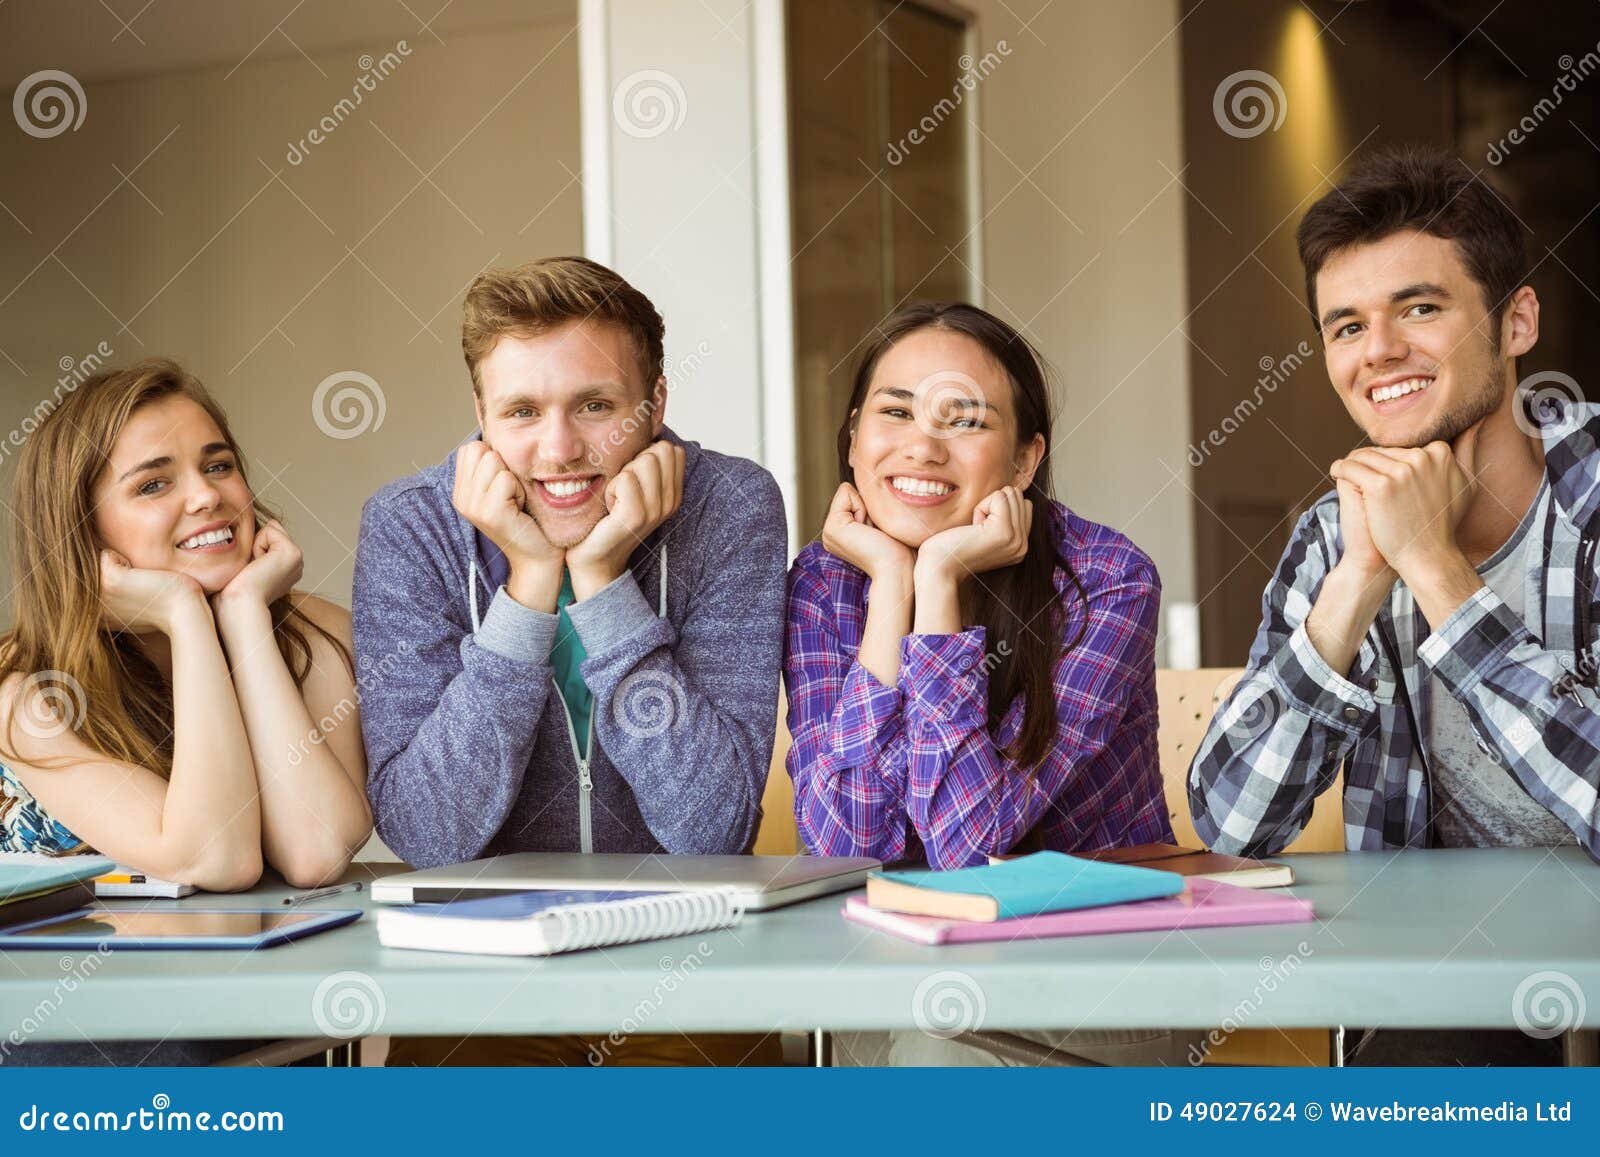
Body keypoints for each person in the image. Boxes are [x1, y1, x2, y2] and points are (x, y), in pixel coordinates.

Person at [1188, 145, 1600, 1065]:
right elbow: (1232, 825)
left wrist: (1440, 576)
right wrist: (1362, 578)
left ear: (1517, 320)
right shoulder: (1336, 539)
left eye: (1420, 307)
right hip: (1470, 990)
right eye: (1346, 325)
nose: (1379, 351)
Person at [355, 256, 786, 1066]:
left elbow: (712, 828)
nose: (559, 449)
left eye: (595, 406)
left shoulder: (732, 507)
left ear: (655, 405)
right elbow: (428, 833)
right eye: (521, 410)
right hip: (478, 981)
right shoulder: (410, 527)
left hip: (693, 967)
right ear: (479, 413)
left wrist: (601, 578)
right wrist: (525, 589)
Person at [785, 301, 1191, 1066]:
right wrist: (889, 589)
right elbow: (842, 845)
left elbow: (968, 848)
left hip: (1091, 975)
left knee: (937, 1063)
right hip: (890, 976)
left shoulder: (1107, 581)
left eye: (964, 420)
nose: (922, 446)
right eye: (895, 411)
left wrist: (937, 581)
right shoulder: (823, 584)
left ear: (1026, 460)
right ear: (853, 437)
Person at [0, 358, 372, 1065]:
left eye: (218, 465)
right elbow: (218, 854)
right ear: (83, 530)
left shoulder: (314, 636)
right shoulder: (26, 693)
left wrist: (241, 616)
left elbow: (316, 848)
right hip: (66, 1036)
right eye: (153, 483)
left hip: (247, 1020)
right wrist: (181, 612)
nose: (207, 496)